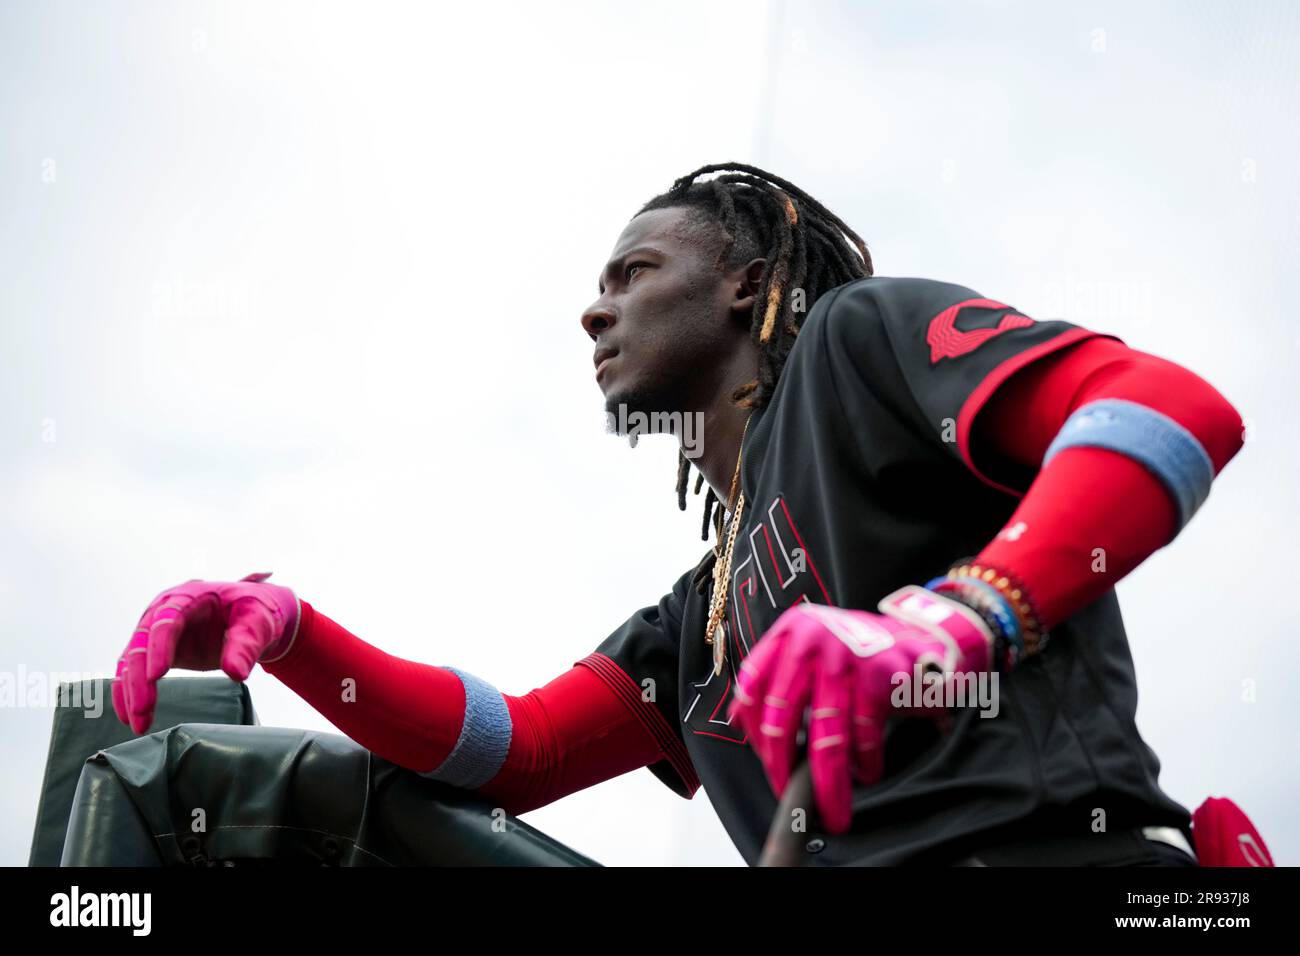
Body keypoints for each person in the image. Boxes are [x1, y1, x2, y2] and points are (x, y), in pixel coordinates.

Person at [112, 163, 1256, 866]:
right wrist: (299, 630)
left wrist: (951, 622)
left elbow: (1171, 411)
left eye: (633, 271)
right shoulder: (699, 610)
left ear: (747, 283)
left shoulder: (858, 343)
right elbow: (512, 750)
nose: (592, 308)